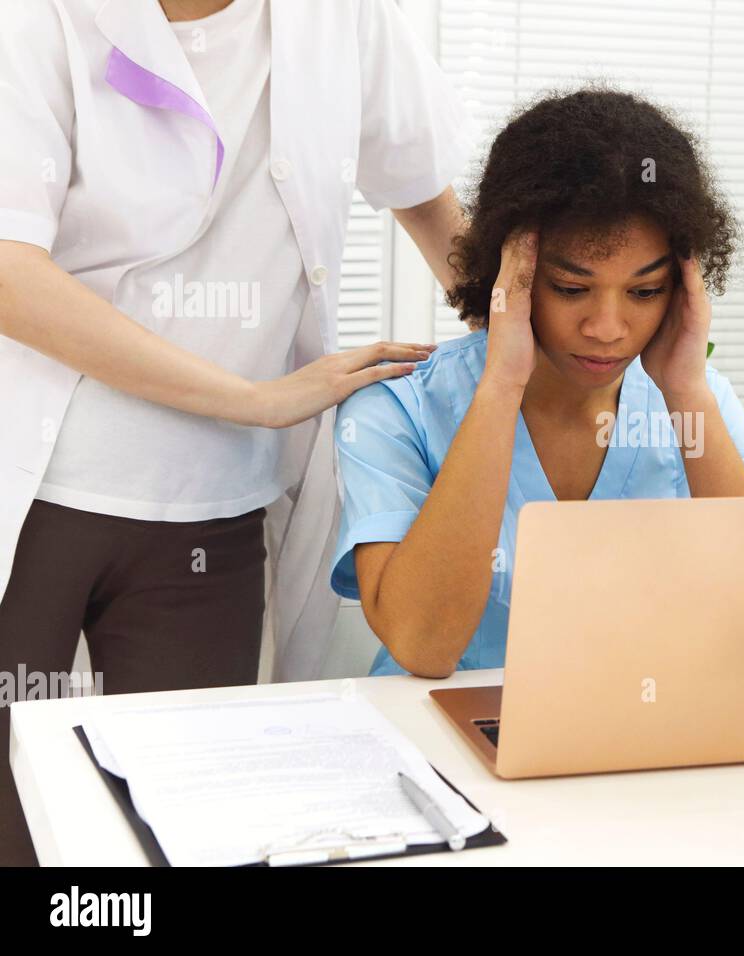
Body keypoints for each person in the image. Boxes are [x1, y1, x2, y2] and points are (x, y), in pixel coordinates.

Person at [0, 0, 478, 865]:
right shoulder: (36, 20)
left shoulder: (344, 19)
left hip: (212, 511)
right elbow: (7, 270)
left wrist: (536, 341)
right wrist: (254, 399)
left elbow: (429, 198)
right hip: (37, 490)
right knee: (17, 820)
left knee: (185, 820)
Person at [330, 88, 744, 679]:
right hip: (442, 745)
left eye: (644, 292)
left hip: (641, 741)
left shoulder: (697, 403)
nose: (608, 329)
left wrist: (686, 392)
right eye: (570, 288)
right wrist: (501, 385)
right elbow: (424, 645)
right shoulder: (396, 408)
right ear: (510, 271)